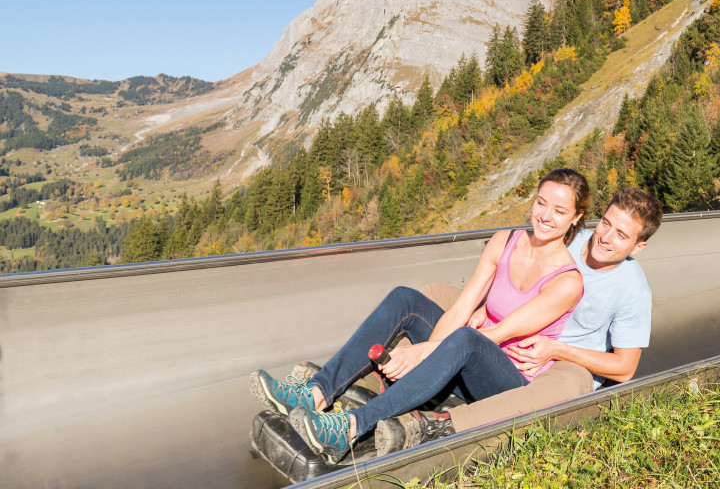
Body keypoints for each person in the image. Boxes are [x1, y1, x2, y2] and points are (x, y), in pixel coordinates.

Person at [250, 169, 588, 464]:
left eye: (559, 210)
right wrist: (432, 349)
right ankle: (316, 393)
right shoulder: (506, 240)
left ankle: (352, 427)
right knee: (405, 299)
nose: (545, 215)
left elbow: (496, 334)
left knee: (468, 338)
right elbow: (461, 308)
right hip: (464, 353)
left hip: (504, 379)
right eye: (541, 203)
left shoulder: (567, 281)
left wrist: (422, 352)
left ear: (575, 217)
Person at [395, 186, 662, 448]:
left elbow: (625, 368)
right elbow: (516, 274)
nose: (605, 237)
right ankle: (385, 377)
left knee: (569, 384)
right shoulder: (570, 237)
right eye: (606, 223)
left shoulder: (633, 290)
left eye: (621, 235)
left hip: (560, 358)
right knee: (433, 294)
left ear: (638, 247)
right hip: (512, 325)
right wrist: (485, 308)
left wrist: (558, 349)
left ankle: (440, 427)